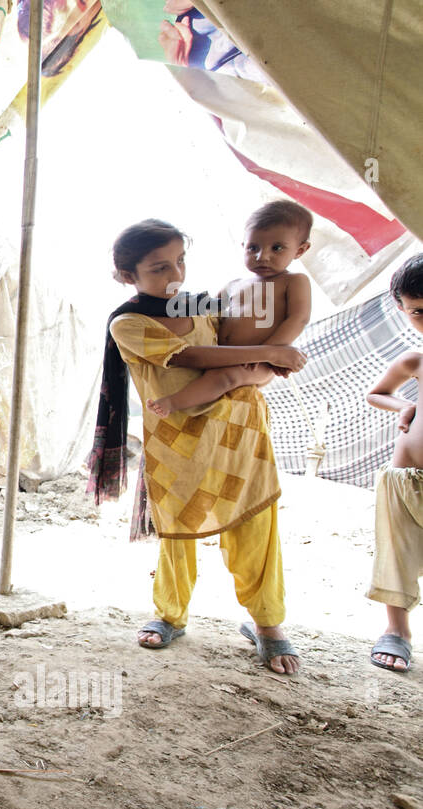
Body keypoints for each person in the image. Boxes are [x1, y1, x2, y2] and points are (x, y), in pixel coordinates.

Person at [87, 218, 307, 673]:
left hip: (240, 432)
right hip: (176, 441)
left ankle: (268, 624)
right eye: (159, 268)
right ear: (128, 276)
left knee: (256, 525)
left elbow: (252, 347)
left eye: (180, 262)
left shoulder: (204, 302)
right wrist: (263, 358)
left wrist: (264, 358)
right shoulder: (128, 322)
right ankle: (170, 613)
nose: (175, 276)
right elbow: (191, 356)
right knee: (176, 529)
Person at [147, 200, 313, 417]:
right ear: (243, 245)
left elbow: (298, 319)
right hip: (224, 354)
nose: (262, 256)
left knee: (226, 378)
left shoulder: (294, 281)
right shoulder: (235, 284)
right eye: (253, 247)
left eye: (277, 248)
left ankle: (171, 403)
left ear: (300, 250)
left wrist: (268, 352)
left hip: (259, 364)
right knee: (201, 370)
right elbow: (209, 312)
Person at [363, 254, 423, 672]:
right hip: (402, 479)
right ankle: (396, 630)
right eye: (419, 311)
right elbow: (376, 392)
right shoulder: (414, 361)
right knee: (395, 552)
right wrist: (403, 405)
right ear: (403, 310)